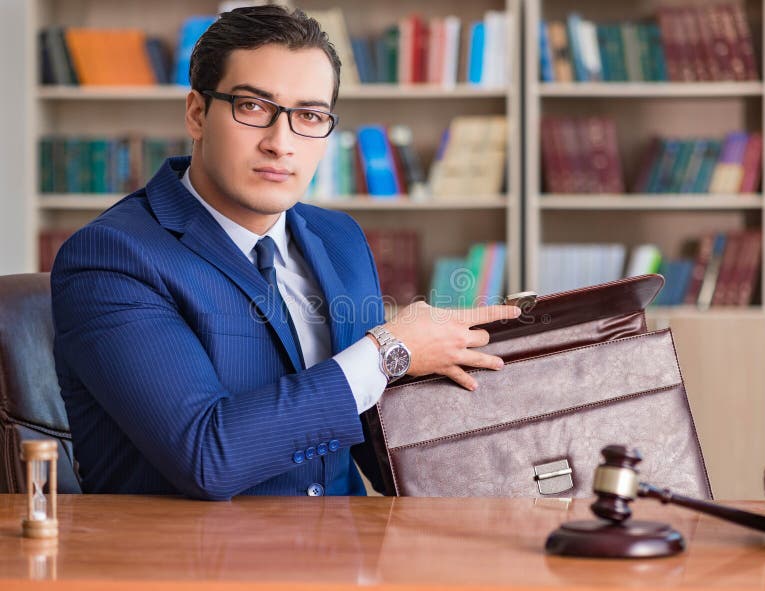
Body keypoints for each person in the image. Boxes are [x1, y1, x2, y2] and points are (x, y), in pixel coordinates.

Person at [50, 5, 520, 500]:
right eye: (252, 107)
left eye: (310, 116)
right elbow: (208, 455)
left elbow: (375, 436)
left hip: (348, 559)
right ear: (196, 113)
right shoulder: (110, 258)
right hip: (194, 566)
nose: (281, 143)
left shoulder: (339, 239)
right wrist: (389, 352)